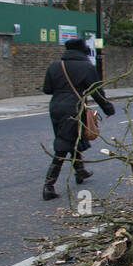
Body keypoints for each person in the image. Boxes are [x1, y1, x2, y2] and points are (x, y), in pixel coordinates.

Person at [42, 37, 115, 200]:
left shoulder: (55, 66)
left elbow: (47, 89)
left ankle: (80, 172)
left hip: (55, 106)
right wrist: (107, 107)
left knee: (69, 138)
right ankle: (48, 186)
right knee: (62, 145)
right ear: (83, 50)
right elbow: (96, 91)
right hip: (74, 107)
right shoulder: (86, 67)